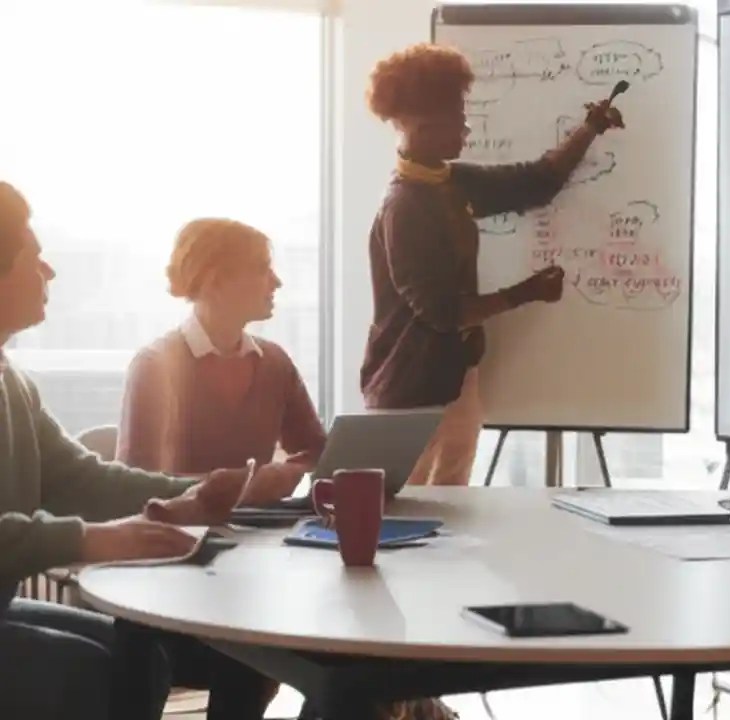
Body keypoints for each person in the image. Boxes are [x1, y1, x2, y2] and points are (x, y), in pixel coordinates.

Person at [0, 182, 296, 719]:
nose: (50, 273)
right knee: (88, 671)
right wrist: (92, 539)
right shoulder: (157, 362)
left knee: (143, 653)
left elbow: (85, 480)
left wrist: (200, 491)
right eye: (35, 258)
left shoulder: (13, 382)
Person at [360, 43, 625, 487]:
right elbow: (442, 312)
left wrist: (590, 128)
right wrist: (527, 292)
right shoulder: (405, 206)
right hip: (409, 391)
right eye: (458, 119)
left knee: (448, 521)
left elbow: (537, 182)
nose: (466, 129)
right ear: (425, 126)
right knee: (403, 525)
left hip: (452, 380)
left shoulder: (450, 182)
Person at [116, 217, 328, 720]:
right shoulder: (157, 364)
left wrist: (286, 472)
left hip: (254, 559)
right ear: (214, 279)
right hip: (181, 570)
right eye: (262, 269)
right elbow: (137, 487)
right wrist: (248, 488)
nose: (276, 283)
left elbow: (314, 450)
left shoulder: (274, 362)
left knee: (319, 642)